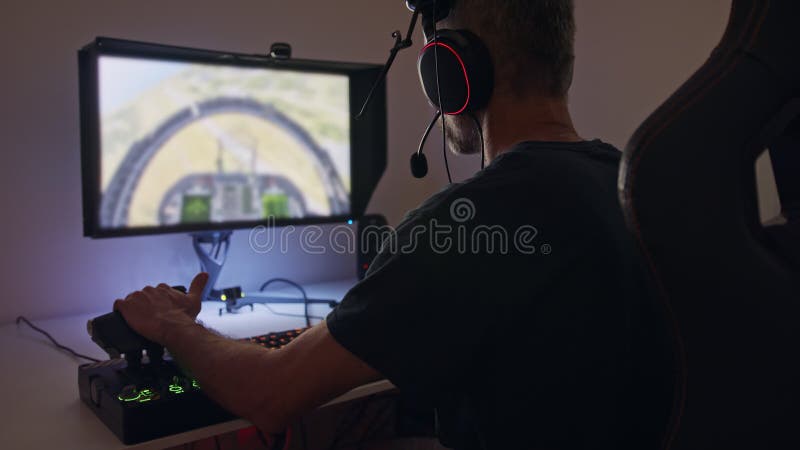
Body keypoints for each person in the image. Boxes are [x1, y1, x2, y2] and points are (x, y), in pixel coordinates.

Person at [115, 1, 675, 448]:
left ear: (451, 72)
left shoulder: (468, 222)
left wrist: (173, 326)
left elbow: (271, 395)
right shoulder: (638, 186)